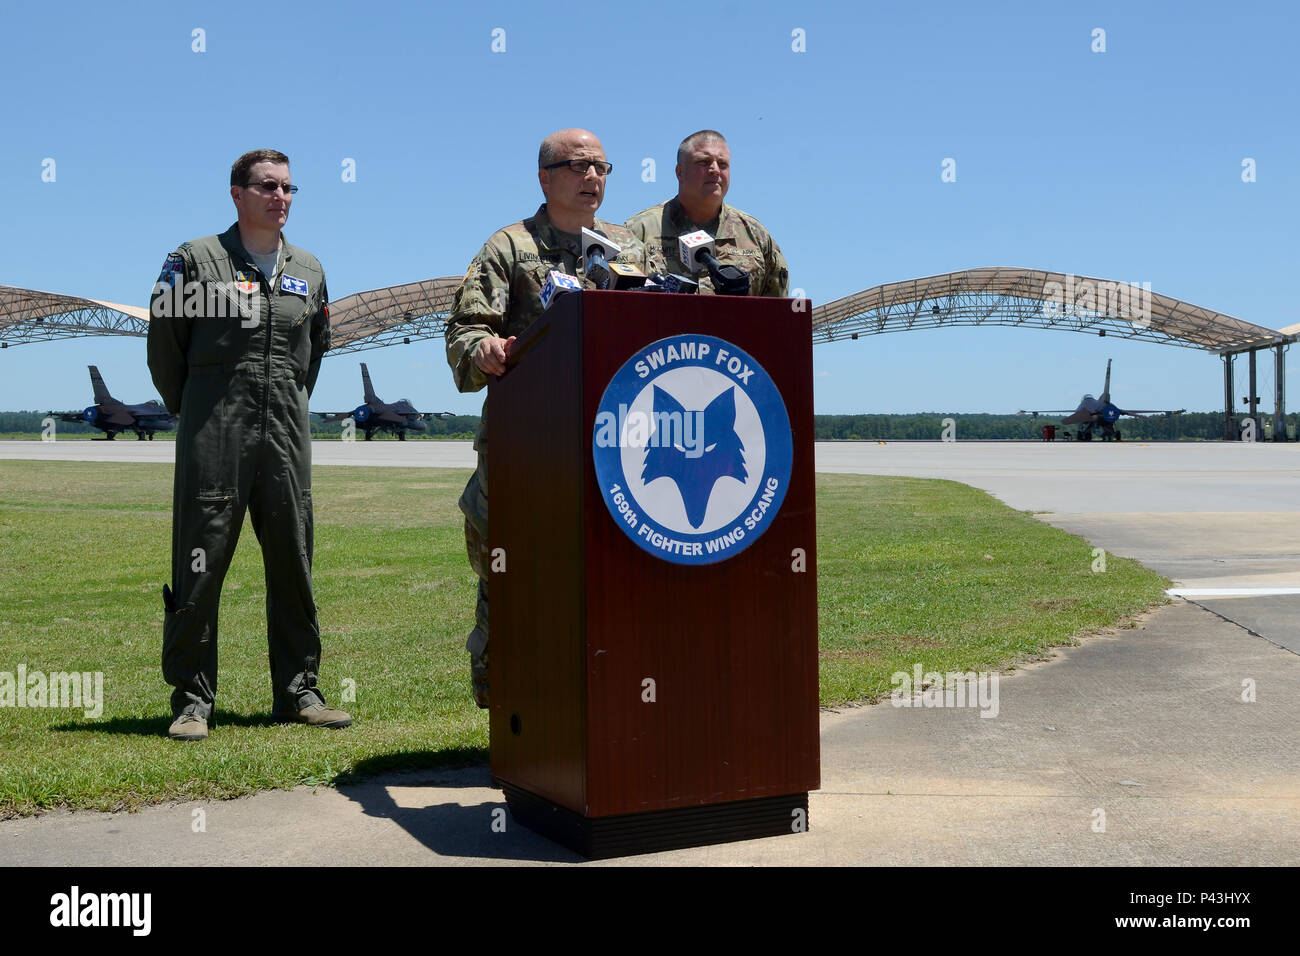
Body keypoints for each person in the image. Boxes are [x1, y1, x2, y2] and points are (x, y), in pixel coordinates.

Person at [147, 148, 350, 740]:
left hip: (286, 430)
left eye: (288, 188)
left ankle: (299, 691)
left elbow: (314, 346)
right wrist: (195, 410)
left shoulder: (309, 269)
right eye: (266, 186)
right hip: (215, 428)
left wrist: (286, 398)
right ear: (236, 193)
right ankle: (191, 699)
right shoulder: (194, 260)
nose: (279, 197)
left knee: (293, 557)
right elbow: (165, 345)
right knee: (201, 559)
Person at [445, 128, 646, 708]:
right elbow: (464, 332)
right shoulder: (508, 248)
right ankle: (512, 717)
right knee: (512, 578)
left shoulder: (629, 247)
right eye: (578, 166)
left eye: (602, 168)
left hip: (617, 446)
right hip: (529, 448)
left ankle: (608, 712)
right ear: (545, 177)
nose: (593, 178)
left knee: (609, 580)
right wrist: (481, 349)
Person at [625, 130, 789, 297]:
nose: (715, 170)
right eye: (703, 162)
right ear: (680, 172)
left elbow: (778, 314)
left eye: (723, 164)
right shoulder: (638, 231)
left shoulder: (756, 236)